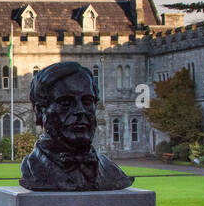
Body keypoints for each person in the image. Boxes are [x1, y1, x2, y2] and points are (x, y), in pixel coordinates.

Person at [19, 62, 134, 192]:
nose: (80, 111)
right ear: (40, 111)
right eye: (66, 103)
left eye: (87, 102)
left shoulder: (112, 173)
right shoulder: (34, 167)